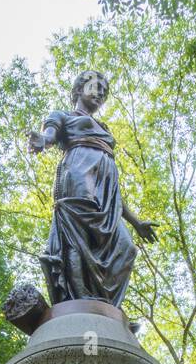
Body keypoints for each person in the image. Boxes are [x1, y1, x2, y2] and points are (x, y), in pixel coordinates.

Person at [30, 70, 157, 307]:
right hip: (78, 175)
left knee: (127, 248)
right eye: (95, 86)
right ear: (79, 89)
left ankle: (105, 309)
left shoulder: (104, 128)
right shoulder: (64, 116)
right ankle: (82, 304)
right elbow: (50, 134)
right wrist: (43, 141)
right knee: (76, 240)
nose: (100, 93)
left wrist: (136, 222)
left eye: (104, 91)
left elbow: (116, 196)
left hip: (106, 189)